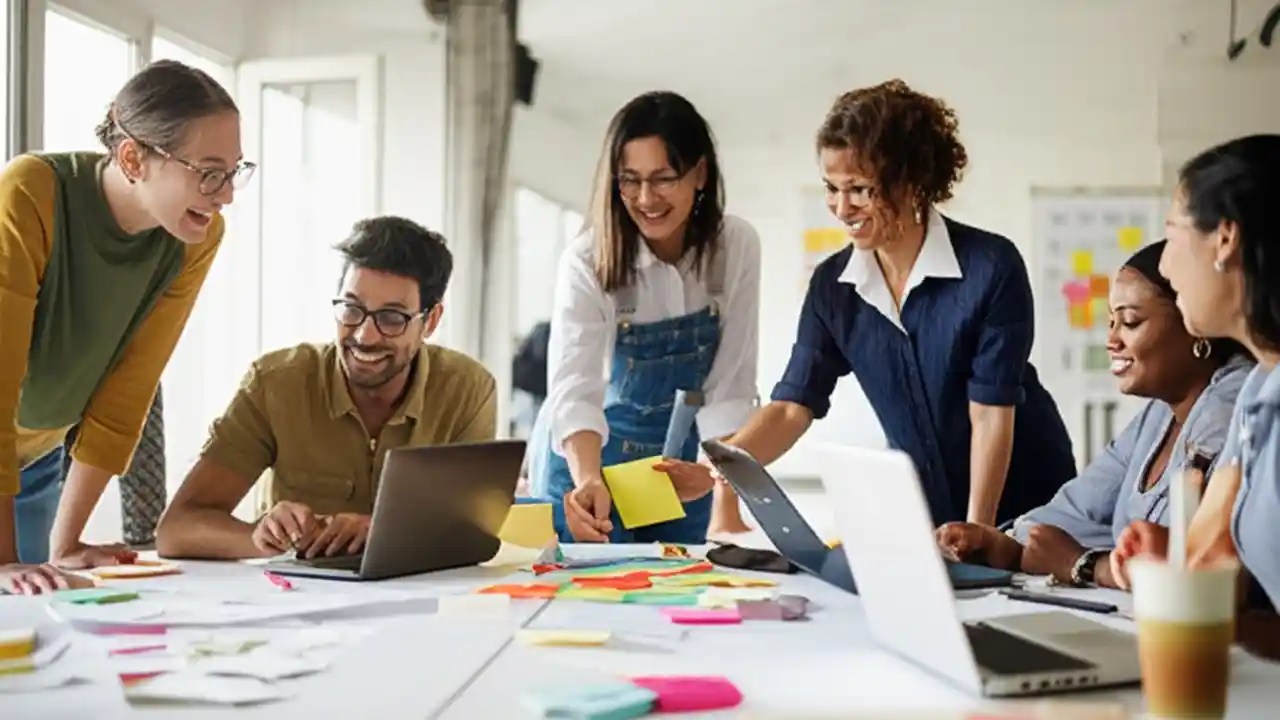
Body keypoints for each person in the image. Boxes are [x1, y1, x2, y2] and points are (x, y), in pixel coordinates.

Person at [667, 79, 1075, 527]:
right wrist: (715, 471)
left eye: (860, 189)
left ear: (912, 181)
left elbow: (990, 414)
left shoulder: (990, 267)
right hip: (928, 506)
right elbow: (791, 407)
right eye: (832, 188)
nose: (842, 209)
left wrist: (978, 531)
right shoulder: (834, 287)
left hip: (1031, 498)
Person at [0, 60, 246, 595]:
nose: (224, 193)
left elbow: (128, 390)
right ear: (134, 156)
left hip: (33, 459)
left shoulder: (194, 236)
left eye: (233, 172)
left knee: (32, 619)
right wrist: (4, 559)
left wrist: (67, 542)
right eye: (208, 171)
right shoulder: (30, 193)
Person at [155, 216, 497, 560]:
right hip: (293, 599)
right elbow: (176, 530)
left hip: (423, 600)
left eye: (392, 318)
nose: (365, 336)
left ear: (431, 322)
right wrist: (260, 539)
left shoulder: (467, 389)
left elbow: (473, 533)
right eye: (351, 309)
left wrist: (380, 533)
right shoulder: (276, 383)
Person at [934, 241, 1251, 587]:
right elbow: (1070, 513)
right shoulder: (1158, 417)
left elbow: (1189, 568)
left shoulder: (1233, 402)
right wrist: (1005, 545)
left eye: (1130, 322)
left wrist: (1081, 563)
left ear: (1195, 323)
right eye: (1111, 321)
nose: (1111, 340)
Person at [528, 90, 761, 544]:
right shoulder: (588, 259)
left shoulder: (735, 246)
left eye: (662, 178)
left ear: (700, 174)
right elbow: (575, 388)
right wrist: (588, 479)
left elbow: (730, 386)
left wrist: (715, 483)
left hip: (675, 470)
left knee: (677, 598)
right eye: (629, 180)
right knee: (584, 600)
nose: (645, 198)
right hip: (587, 461)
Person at [1108, 135, 1280, 659]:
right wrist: (1177, 569)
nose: (1163, 267)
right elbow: (1220, 573)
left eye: (1173, 235)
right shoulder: (1258, 393)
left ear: (1225, 239)